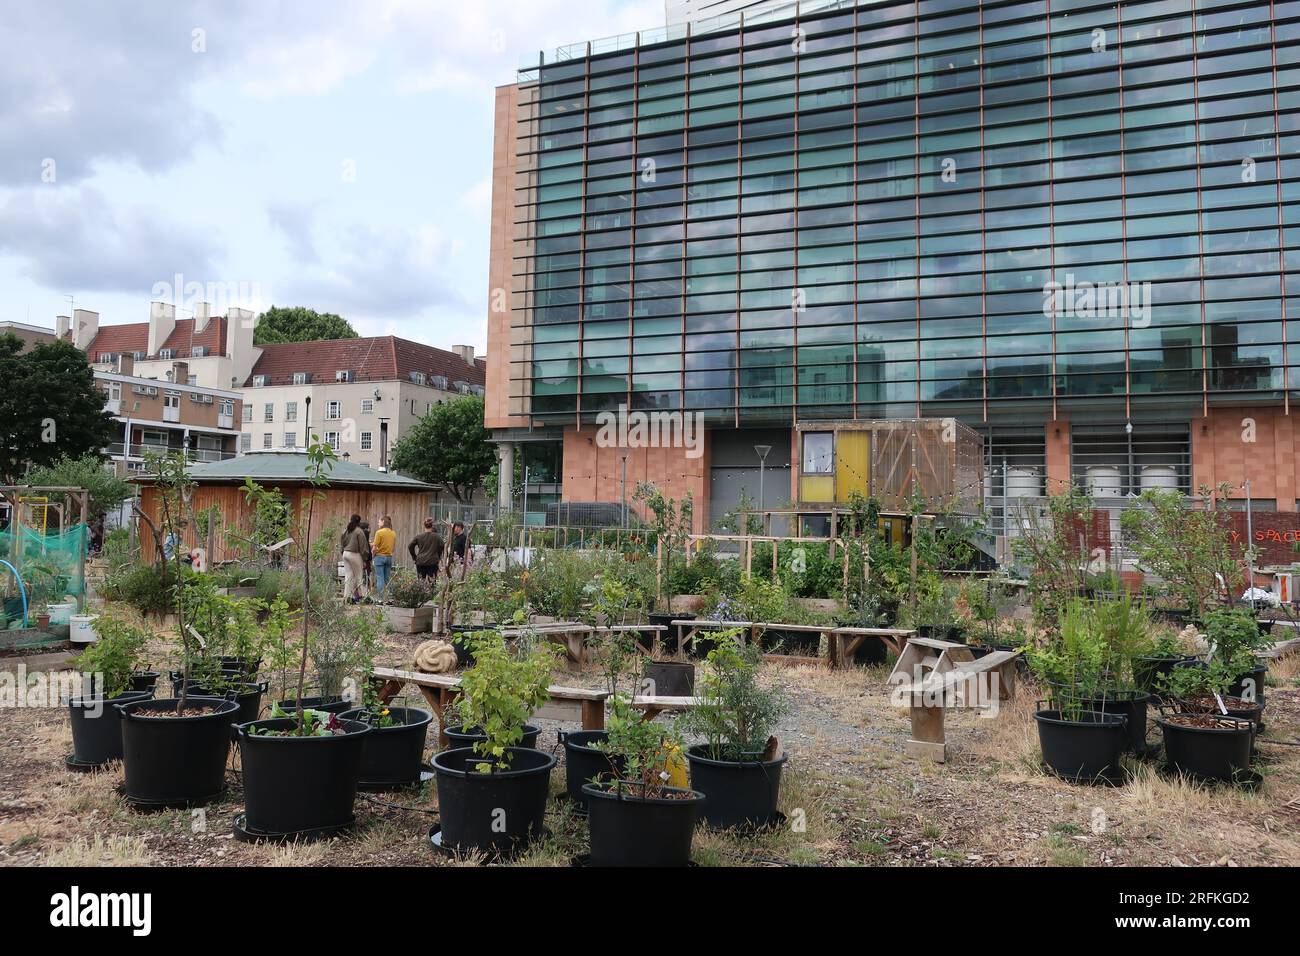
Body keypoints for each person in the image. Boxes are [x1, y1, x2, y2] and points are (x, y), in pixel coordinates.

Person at [340, 514, 368, 603]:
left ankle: (347, 597)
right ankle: (364, 596)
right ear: (359, 522)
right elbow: (363, 546)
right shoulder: (359, 531)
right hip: (355, 554)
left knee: (349, 576)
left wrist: (343, 552)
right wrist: (364, 559)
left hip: (345, 554)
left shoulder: (346, 530)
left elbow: (342, 543)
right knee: (359, 576)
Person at [370, 516, 396, 599]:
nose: (378, 523)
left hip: (379, 557)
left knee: (380, 577)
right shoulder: (393, 533)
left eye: (379, 521)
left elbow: (374, 548)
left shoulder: (379, 532)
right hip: (389, 557)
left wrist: (373, 555)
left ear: (383, 522)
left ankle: (380, 599)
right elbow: (393, 548)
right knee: (387, 578)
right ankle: (389, 597)